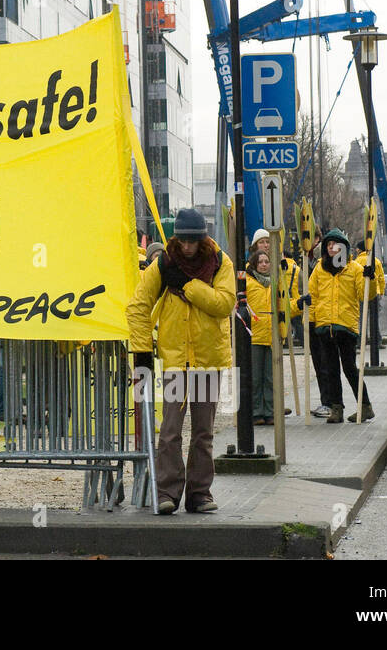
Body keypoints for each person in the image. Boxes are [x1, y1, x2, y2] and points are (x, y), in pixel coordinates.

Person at [127, 208, 235, 515]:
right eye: (184, 240)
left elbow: (224, 304)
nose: (188, 247)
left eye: (193, 241)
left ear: (203, 240)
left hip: (208, 360)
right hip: (176, 360)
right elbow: (136, 306)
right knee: (170, 430)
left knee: (204, 431)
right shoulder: (163, 263)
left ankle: (199, 494)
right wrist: (142, 350)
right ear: (177, 239)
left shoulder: (220, 262)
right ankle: (167, 493)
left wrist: (188, 285)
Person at [308, 228, 374, 424]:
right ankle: (337, 408)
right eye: (328, 245)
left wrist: (369, 278)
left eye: (335, 245)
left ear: (343, 247)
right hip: (324, 326)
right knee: (331, 370)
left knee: (349, 368)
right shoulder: (319, 268)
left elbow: (365, 295)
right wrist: (311, 321)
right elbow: (313, 295)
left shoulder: (353, 268)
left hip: (346, 326)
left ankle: (365, 406)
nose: (331, 248)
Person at [244, 249, 301, 425]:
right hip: (254, 336)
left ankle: (270, 411)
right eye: (260, 262)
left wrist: (298, 305)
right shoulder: (247, 283)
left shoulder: (277, 283)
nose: (263, 264)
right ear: (254, 264)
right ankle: (255, 411)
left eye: (266, 261)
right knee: (255, 378)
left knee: (271, 377)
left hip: (272, 336)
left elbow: (284, 306)